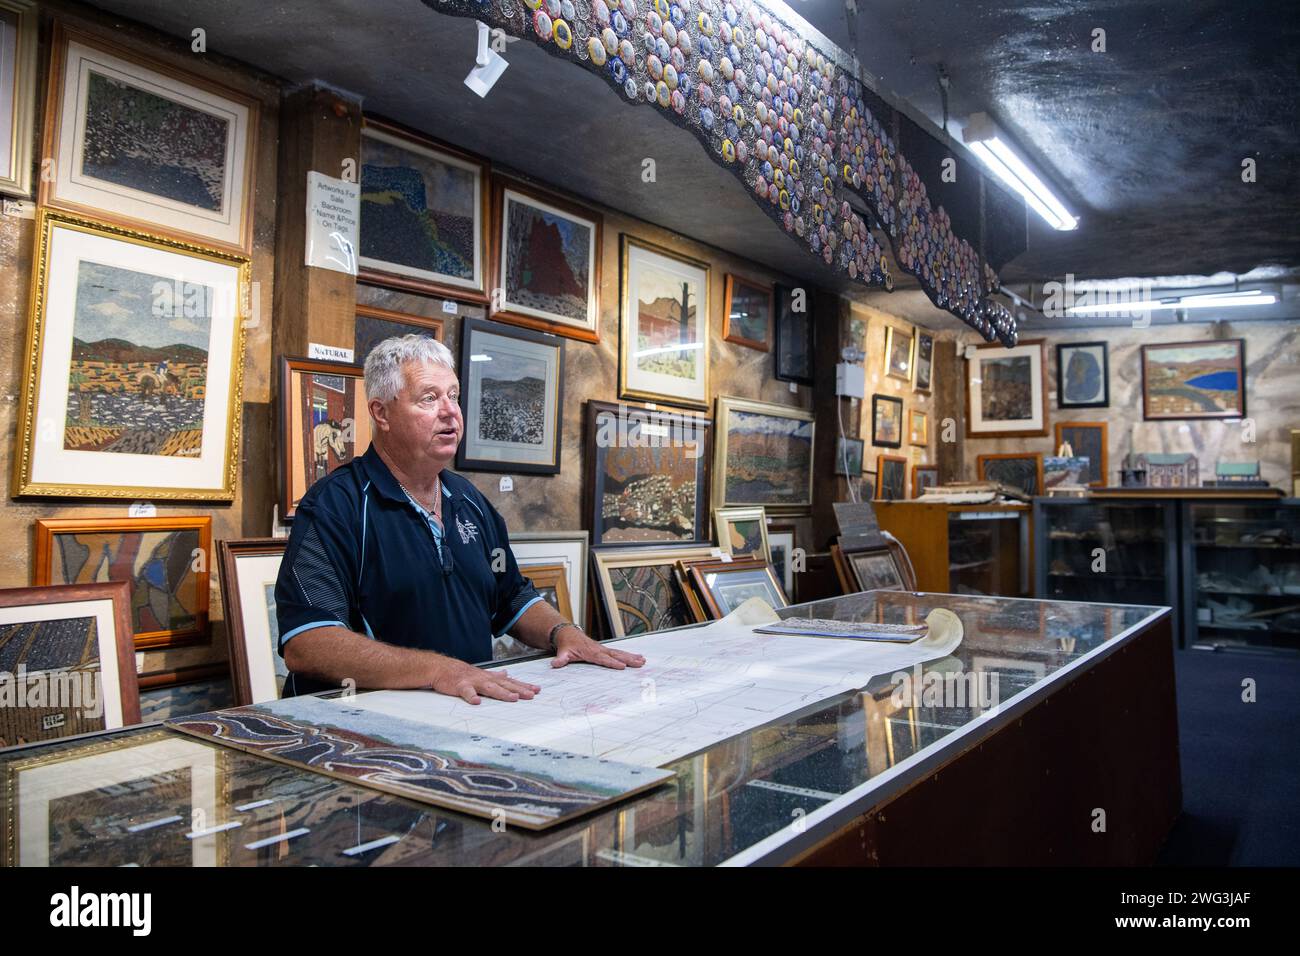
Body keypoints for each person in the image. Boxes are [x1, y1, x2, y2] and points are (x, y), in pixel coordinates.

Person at [274, 334, 644, 703]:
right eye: (429, 398)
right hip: (369, 726)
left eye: (453, 395)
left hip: (467, 711)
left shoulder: (469, 501)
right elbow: (308, 643)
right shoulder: (335, 506)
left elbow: (511, 596)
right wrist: (438, 670)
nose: (450, 411)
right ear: (381, 413)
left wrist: (563, 632)